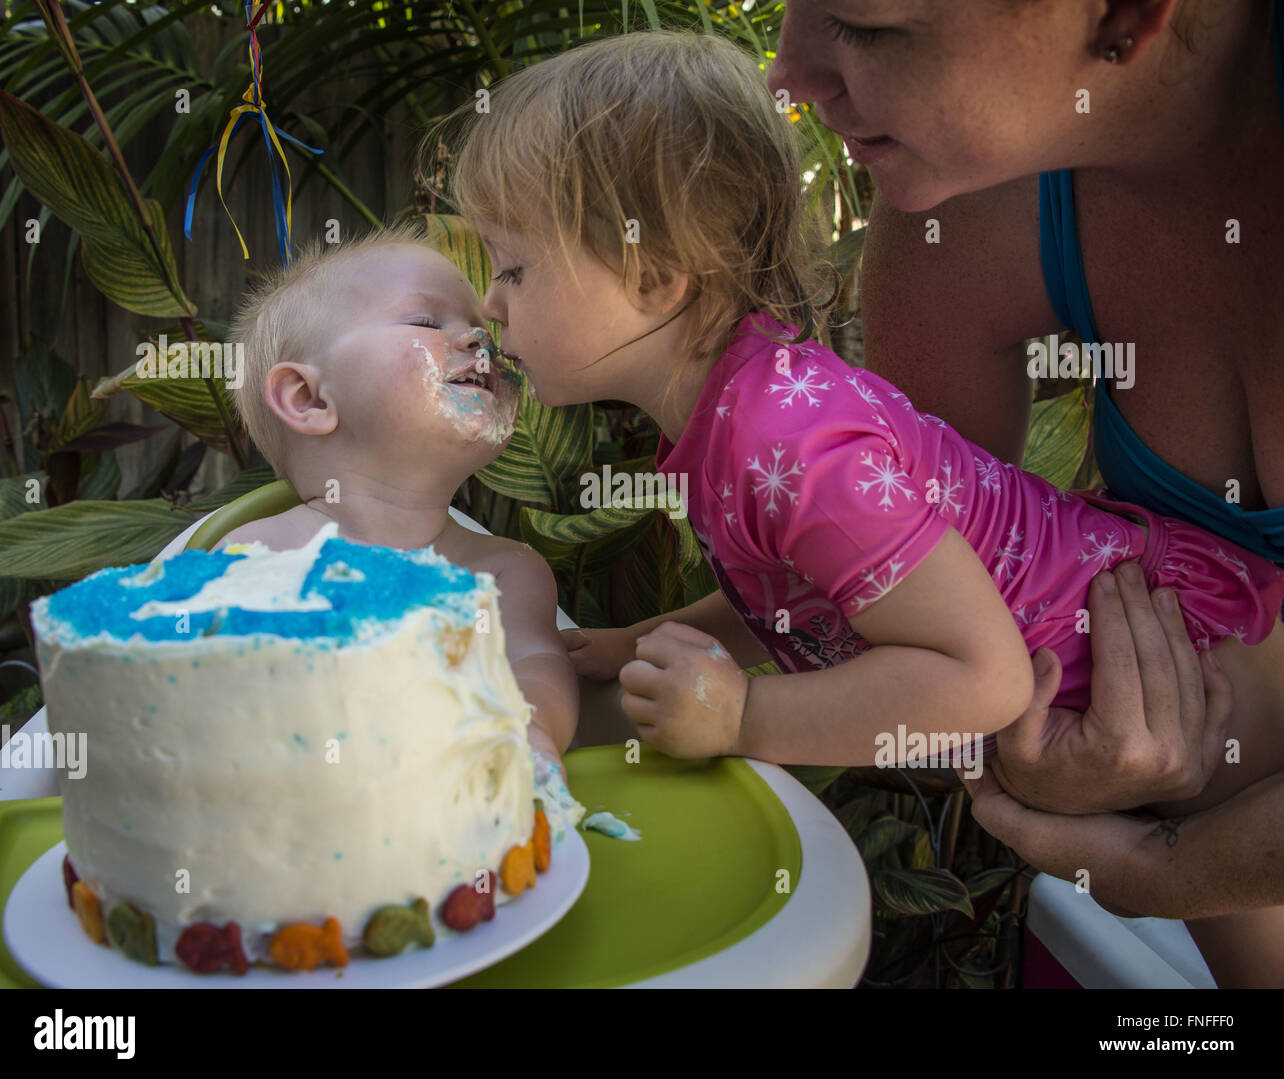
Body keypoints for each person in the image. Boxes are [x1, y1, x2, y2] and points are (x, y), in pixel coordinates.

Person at [435, 27, 1284, 984]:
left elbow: (985, 681)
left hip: (1213, 680)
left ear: (652, 276)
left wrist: (745, 718)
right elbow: (807, 589)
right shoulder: (737, 415)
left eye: (513, 268)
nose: (492, 306)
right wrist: (645, 636)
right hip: (1161, 689)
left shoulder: (784, 444)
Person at [767, 0, 1284, 985]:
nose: (787, 75)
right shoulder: (966, 200)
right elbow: (915, 591)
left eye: (867, 27)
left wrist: (1162, 871)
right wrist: (1033, 739)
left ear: (1125, 14)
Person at [216, 220, 579, 777]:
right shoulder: (256, 559)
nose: (481, 340)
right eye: (425, 321)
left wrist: (526, 733)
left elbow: (537, 668)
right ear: (308, 398)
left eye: (481, 327)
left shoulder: (506, 572)